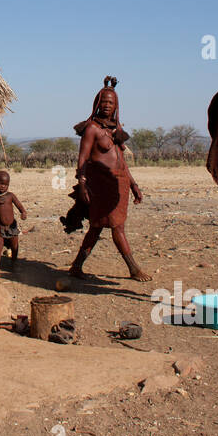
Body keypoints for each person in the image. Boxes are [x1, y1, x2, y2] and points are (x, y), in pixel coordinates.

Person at [60, 77, 150, 282]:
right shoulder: (91, 129)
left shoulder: (115, 132)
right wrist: (82, 185)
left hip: (118, 186)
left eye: (111, 103)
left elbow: (122, 164)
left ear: (116, 106)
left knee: (97, 227)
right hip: (99, 186)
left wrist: (134, 185)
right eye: (104, 102)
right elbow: (82, 159)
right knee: (116, 227)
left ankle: (76, 266)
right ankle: (134, 268)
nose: (107, 105)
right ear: (97, 104)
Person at [0, 170, 27, 271]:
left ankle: (14, 263)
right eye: (1, 183)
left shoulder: (10, 196)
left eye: (6, 184)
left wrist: (23, 212)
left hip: (12, 226)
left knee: (15, 246)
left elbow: (19, 205)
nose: (3, 186)